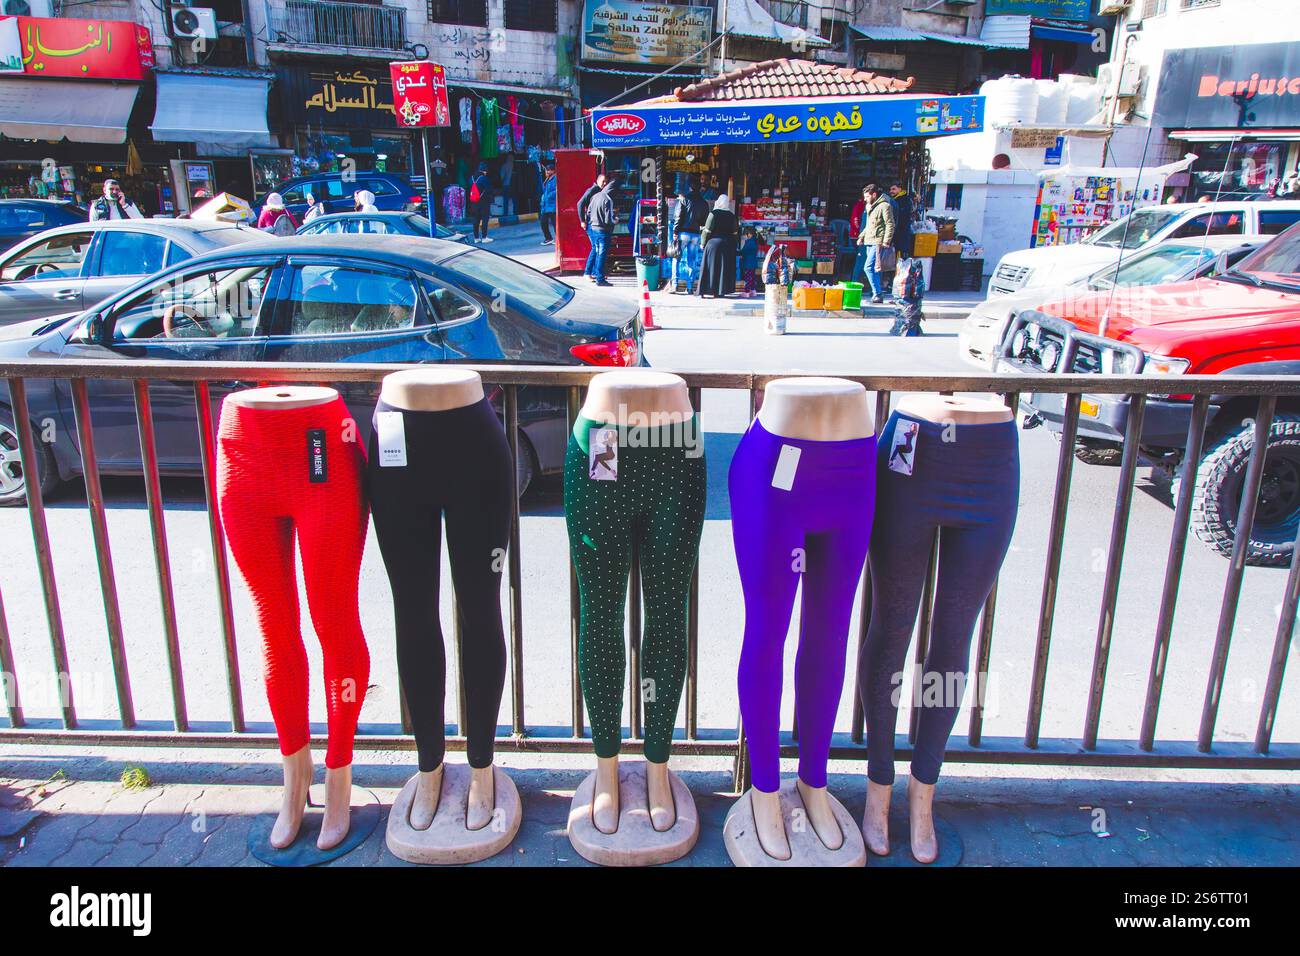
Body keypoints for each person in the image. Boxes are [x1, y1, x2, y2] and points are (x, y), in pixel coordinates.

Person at [857, 183, 895, 305]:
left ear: (874, 194)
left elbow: (890, 224)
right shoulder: (870, 206)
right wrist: (861, 237)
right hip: (869, 240)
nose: (865, 199)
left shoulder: (885, 206)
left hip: (877, 242)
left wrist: (886, 241)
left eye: (867, 196)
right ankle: (877, 293)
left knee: (868, 268)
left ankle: (877, 293)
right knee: (875, 269)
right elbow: (869, 225)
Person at [697, 195, 738, 299]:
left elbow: (707, 230)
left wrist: (702, 243)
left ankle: (704, 290)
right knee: (722, 269)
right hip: (727, 245)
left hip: (713, 244)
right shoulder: (732, 216)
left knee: (709, 268)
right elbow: (735, 233)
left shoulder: (713, 214)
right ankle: (720, 291)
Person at [671, 178, 708, 294]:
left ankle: (675, 285)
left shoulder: (684, 200)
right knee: (692, 261)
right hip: (695, 234)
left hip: (683, 233)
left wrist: (675, 232)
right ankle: (690, 287)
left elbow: (678, 217)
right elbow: (704, 221)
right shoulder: (704, 202)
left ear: (690, 188)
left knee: (676, 258)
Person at [584, 175, 618, 286]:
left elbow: (588, 212)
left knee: (598, 252)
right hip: (603, 231)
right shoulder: (608, 199)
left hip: (594, 229)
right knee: (602, 255)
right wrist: (615, 220)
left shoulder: (595, 196)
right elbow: (608, 219)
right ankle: (600, 278)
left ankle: (597, 275)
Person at [577, 172, 608, 281]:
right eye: (602, 181)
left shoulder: (599, 191)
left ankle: (594, 272)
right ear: (598, 180)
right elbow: (579, 204)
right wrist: (582, 221)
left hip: (594, 223)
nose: (604, 183)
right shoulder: (592, 190)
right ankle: (587, 272)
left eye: (605, 182)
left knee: (596, 248)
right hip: (590, 223)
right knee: (595, 248)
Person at [761, 242, 793, 335]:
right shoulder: (777, 267)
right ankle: (776, 327)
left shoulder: (771, 266)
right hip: (776, 288)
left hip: (774, 287)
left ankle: (774, 327)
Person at [848, 185, 871, 284]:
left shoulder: (866, 205)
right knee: (861, 260)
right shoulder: (861, 205)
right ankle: (856, 281)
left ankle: (858, 280)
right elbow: (856, 220)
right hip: (857, 236)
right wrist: (860, 233)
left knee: (862, 260)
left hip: (861, 236)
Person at [888, 183, 914, 260]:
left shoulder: (903, 200)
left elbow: (901, 217)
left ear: (900, 189)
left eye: (893, 189)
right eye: (890, 189)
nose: (891, 191)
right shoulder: (896, 199)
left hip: (901, 233)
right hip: (899, 232)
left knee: (900, 255)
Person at [469, 164, 493, 242]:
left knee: (476, 220)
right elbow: (489, 189)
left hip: (473, 202)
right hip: (483, 202)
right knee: (485, 219)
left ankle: (476, 238)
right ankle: (484, 237)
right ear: (484, 170)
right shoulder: (483, 178)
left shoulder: (471, 178)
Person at [739, 226, 760, 297]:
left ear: (749, 234)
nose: (745, 235)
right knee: (752, 277)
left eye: (746, 234)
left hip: (748, 263)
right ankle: (753, 291)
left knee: (747, 278)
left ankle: (747, 292)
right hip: (753, 263)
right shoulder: (755, 241)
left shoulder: (749, 242)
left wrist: (738, 252)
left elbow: (744, 251)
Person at [538, 164, 557, 244]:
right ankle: (548, 238)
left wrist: (549, 196)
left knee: (554, 223)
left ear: (553, 170)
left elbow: (557, 190)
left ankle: (558, 238)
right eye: (546, 170)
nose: (546, 172)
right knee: (543, 222)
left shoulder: (555, 179)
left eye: (548, 170)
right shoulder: (547, 179)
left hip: (552, 205)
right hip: (545, 205)